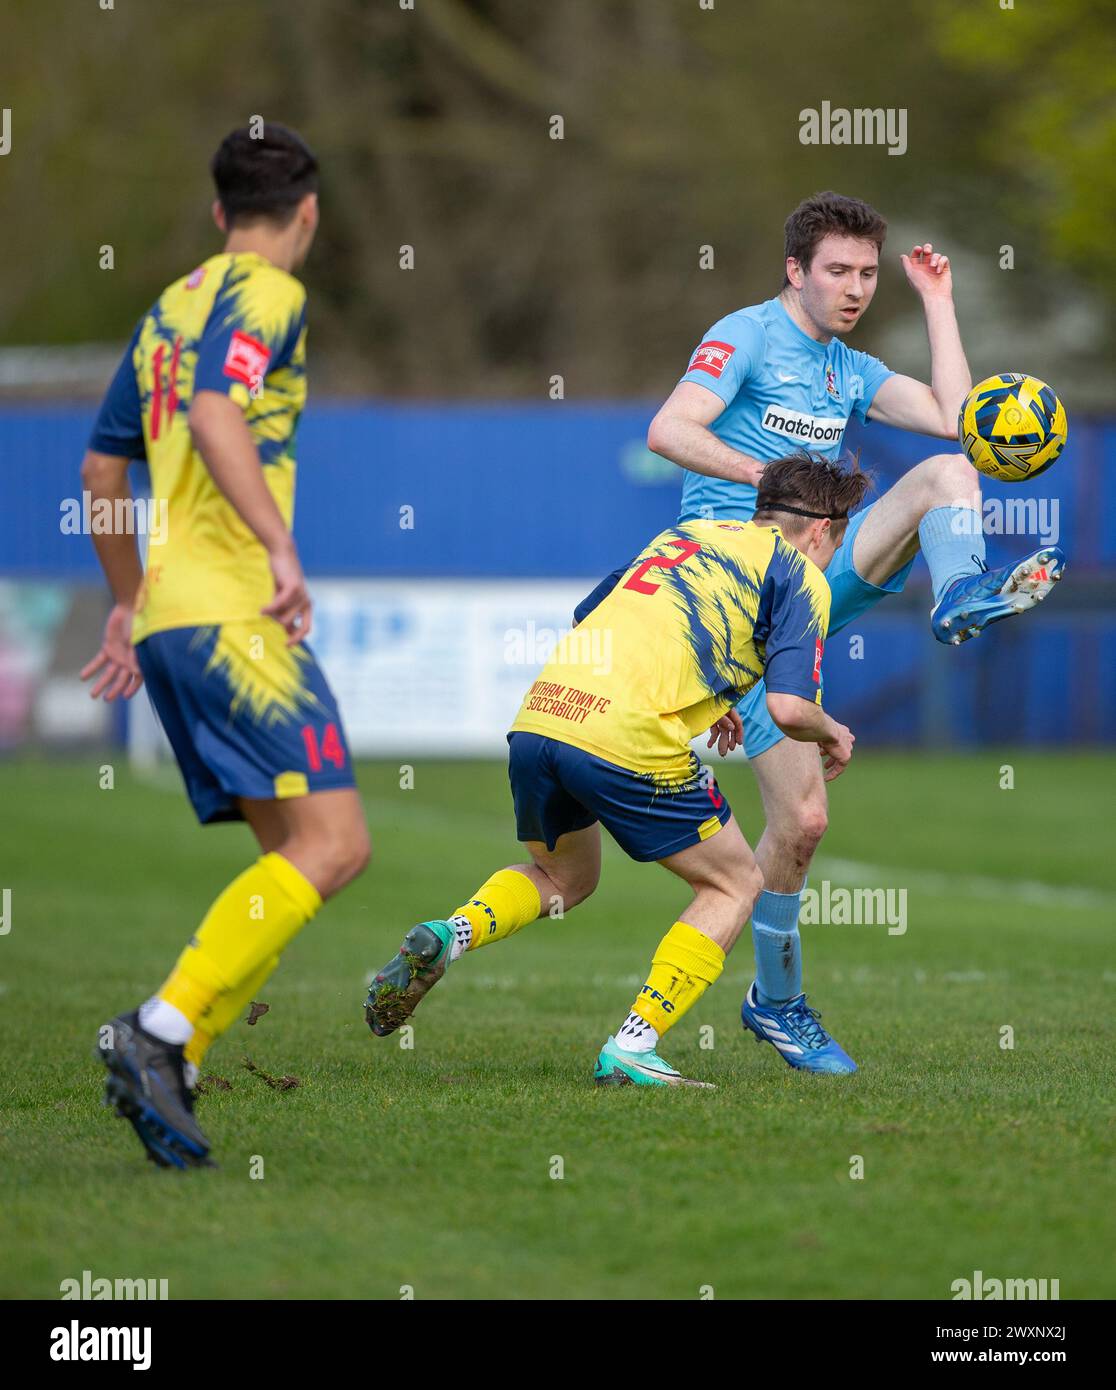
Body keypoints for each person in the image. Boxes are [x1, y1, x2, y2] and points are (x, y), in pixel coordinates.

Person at [608, 190, 1064, 1072]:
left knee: (942, 471)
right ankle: (777, 1003)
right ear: (795, 271)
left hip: (813, 581)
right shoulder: (744, 333)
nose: (855, 289)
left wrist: (938, 302)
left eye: (865, 274)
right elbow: (668, 429)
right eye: (837, 272)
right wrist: (772, 482)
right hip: (738, 594)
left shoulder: (846, 368)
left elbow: (955, 421)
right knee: (805, 820)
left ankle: (960, 591)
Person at [364, 453, 868, 1086]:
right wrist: (834, 733)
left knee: (562, 877)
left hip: (543, 715)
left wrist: (709, 690)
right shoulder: (800, 574)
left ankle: (449, 934)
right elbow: (791, 707)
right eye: (841, 537)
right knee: (734, 885)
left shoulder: (685, 535)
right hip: (624, 733)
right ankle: (634, 1046)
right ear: (822, 528)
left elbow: (592, 614)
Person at [82, 123, 369, 1168]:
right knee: (337, 846)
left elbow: (102, 475)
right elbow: (215, 414)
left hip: (168, 616)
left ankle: (178, 1059)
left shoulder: (169, 308)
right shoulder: (272, 296)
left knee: (290, 853)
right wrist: (280, 545)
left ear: (216, 212)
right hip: (233, 614)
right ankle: (160, 1031)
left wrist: (126, 604)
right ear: (308, 212)